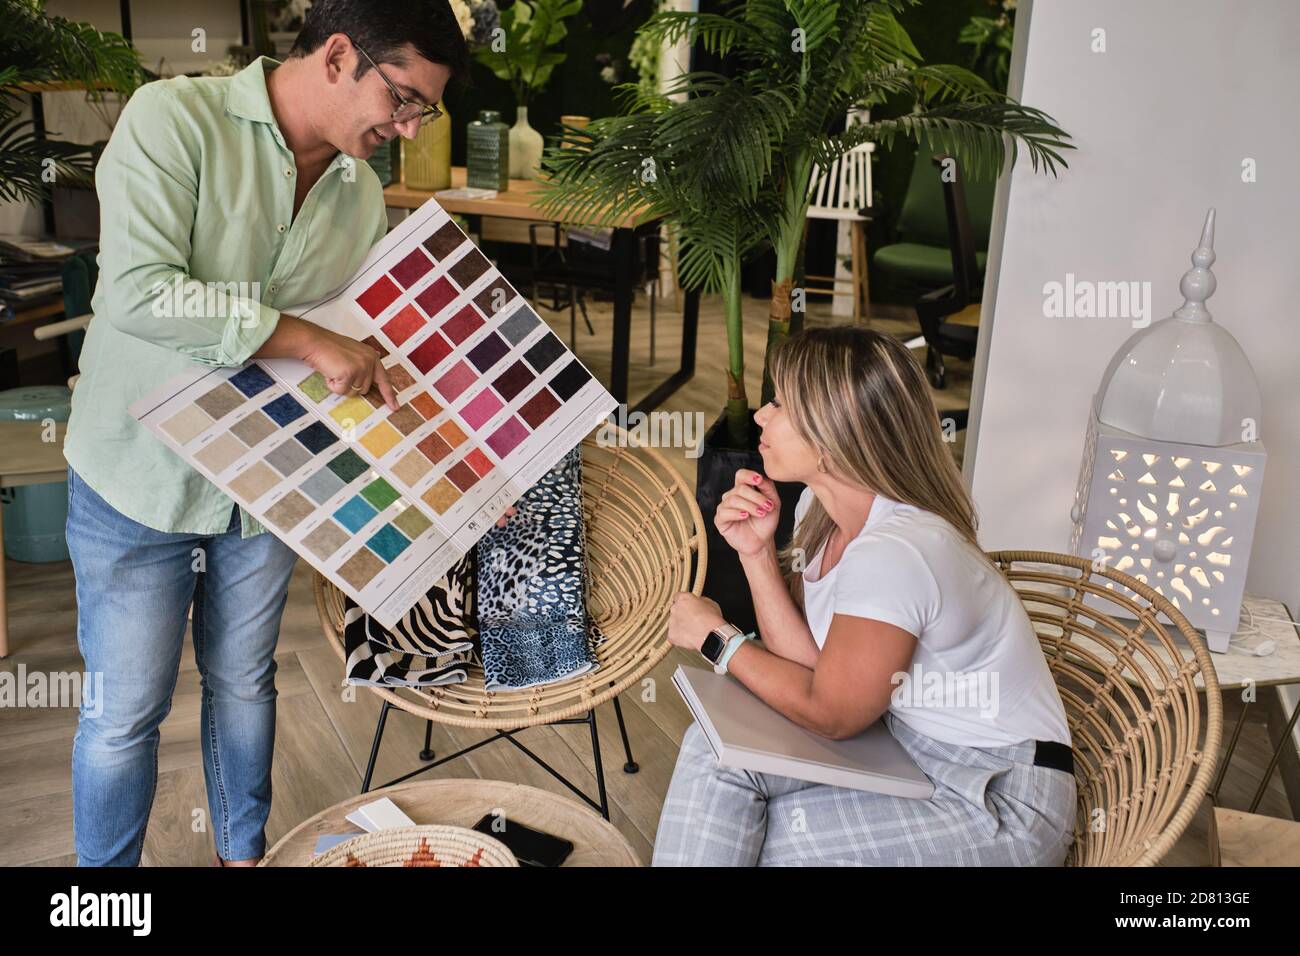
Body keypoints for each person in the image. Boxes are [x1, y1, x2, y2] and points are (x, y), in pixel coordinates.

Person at [62, 0, 490, 866]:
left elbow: (351, 346)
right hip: (137, 478)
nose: (407, 127)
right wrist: (304, 339)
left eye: (425, 111)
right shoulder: (175, 119)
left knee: (245, 685)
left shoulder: (359, 193)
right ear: (339, 56)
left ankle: (243, 857)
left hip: (266, 487)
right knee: (124, 713)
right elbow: (139, 292)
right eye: (404, 99)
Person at [653, 326, 1076, 866]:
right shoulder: (818, 513)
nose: (761, 415)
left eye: (781, 403)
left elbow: (832, 713)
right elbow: (813, 668)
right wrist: (755, 554)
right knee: (713, 752)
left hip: (998, 792)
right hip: (900, 741)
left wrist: (718, 640)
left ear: (830, 438)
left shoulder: (898, 551)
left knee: (772, 848)